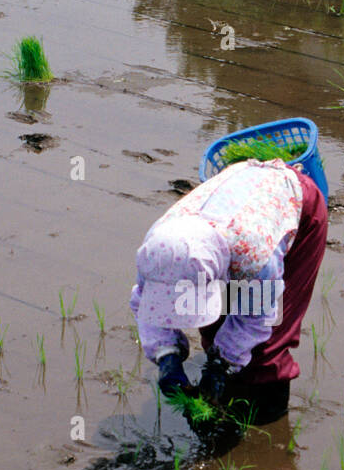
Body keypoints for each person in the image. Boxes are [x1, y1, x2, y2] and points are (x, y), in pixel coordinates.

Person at [130, 151, 328, 426]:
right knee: (215, 329)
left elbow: (257, 319)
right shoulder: (157, 250)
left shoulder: (255, 255)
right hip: (234, 205)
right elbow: (147, 303)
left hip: (295, 208)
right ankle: (227, 392)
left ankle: (269, 420)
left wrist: (221, 364)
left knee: (266, 345)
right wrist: (166, 355)